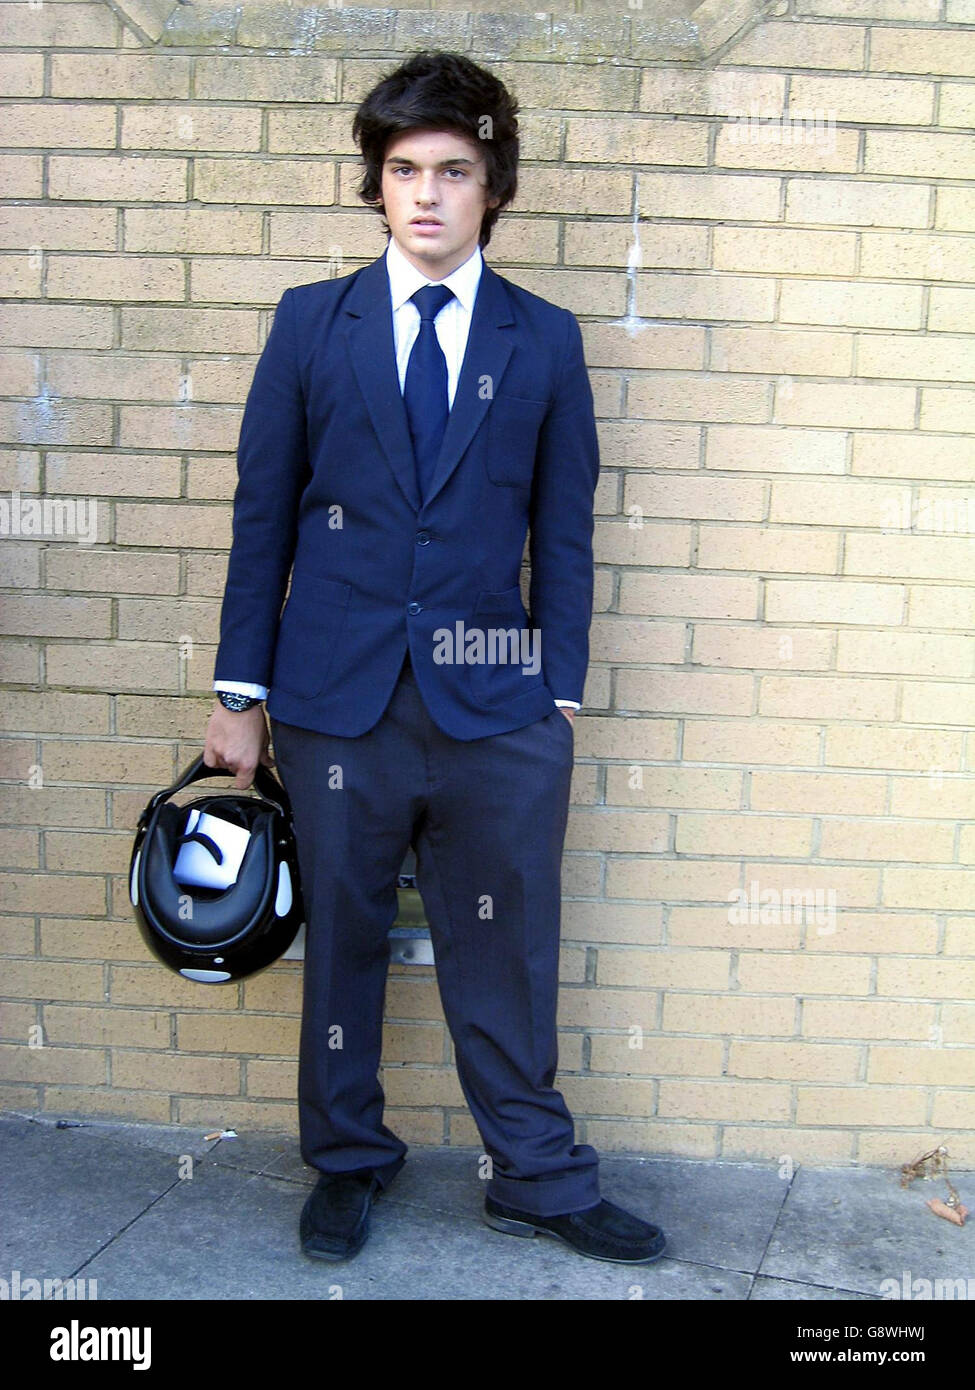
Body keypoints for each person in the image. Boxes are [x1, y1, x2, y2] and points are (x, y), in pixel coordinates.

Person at [203, 49, 666, 1267]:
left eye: (452, 170)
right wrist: (240, 693)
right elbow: (264, 515)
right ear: (375, 185)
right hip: (336, 701)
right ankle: (348, 1159)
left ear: (492, 186)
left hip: (496, 704)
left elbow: (564, 528)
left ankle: (536, 1171)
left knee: (504, 945)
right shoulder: (315, 322)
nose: (425, 193)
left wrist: (555, 695)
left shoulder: (546, 340)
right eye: (403, 169)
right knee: (345, 938)